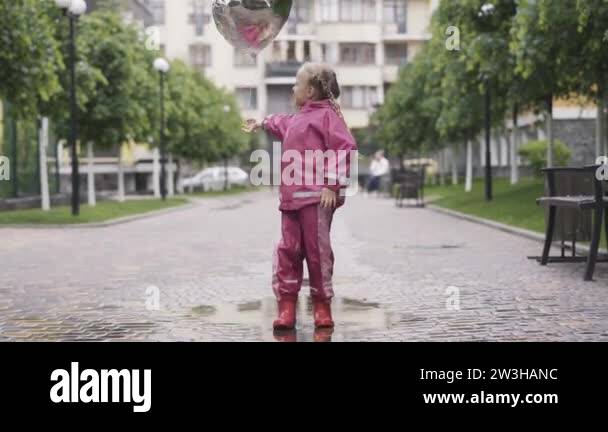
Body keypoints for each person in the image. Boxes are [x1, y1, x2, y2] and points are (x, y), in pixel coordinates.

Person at [242, 62, 357, 330]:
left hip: (316, 200)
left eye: (297, 84)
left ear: (312, 91)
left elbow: (345, 147)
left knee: (317, 253)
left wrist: (331, 185)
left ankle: (321, 305)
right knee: (288, 251)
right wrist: (261, 123)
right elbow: (280, 122)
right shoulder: (297, 118)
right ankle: (286, 306)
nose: (293, 88)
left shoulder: (328, 117)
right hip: (291, 200)